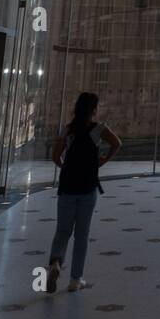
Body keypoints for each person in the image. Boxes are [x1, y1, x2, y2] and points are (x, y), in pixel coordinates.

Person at [48, 92, 120, 292]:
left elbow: (55, 156)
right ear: (94, 110)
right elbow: (117, 144)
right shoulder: (99, 129)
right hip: (88, 186)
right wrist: (103, 160)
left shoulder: (68, 130)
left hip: (68, 186)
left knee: (62, 230)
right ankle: (75, 279)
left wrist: (66, 168)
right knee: (82, 234)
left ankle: (54, 263)